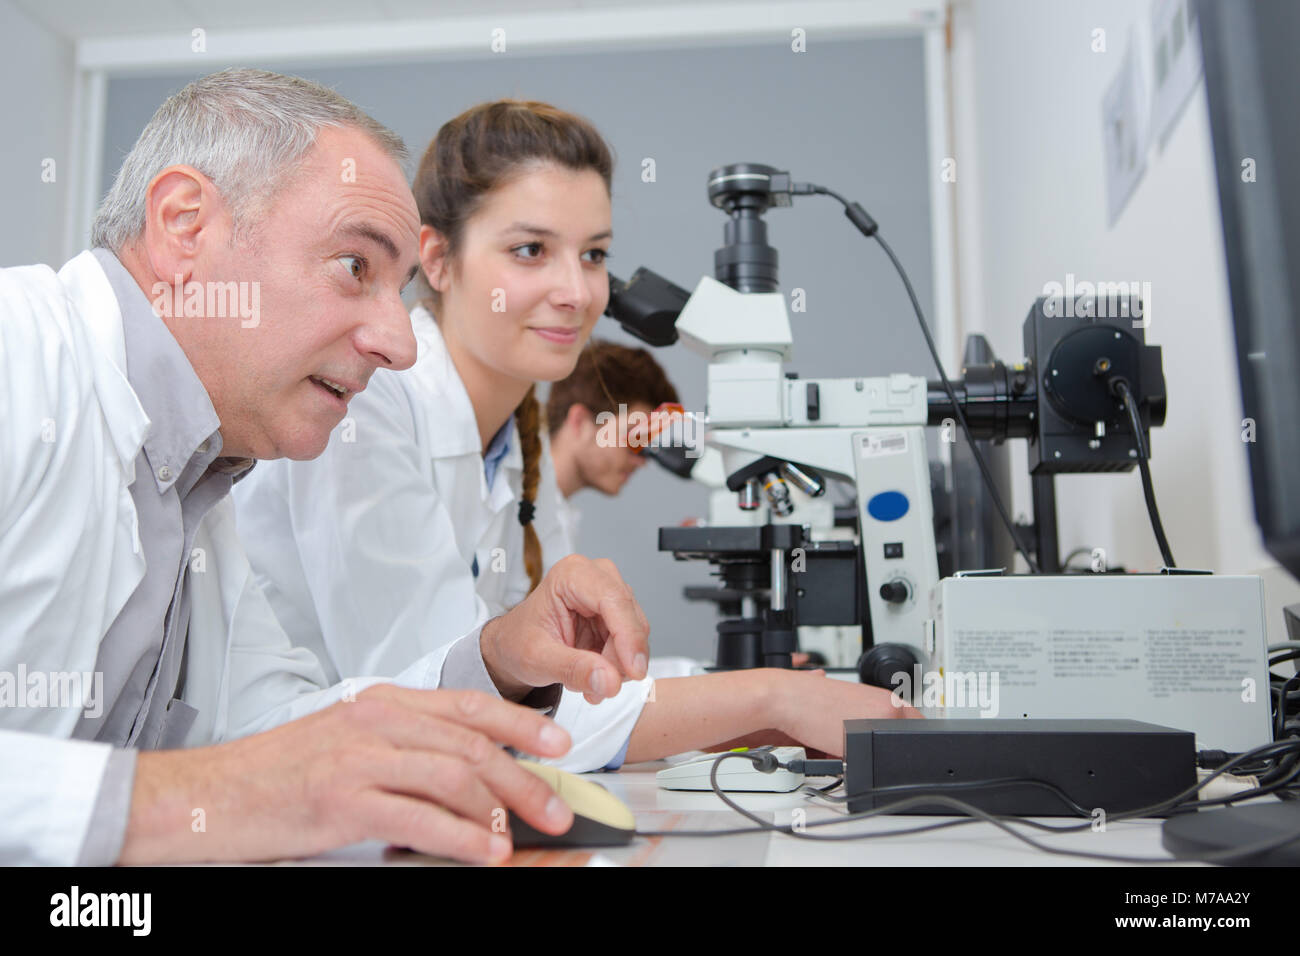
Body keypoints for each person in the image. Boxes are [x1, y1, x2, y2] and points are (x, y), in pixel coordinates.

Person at [0, 70, 653, 867]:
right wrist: (199, 800)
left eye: (397, 287)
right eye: (354, 267)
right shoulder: (19, 357)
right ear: (184, 226)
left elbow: (279, 731)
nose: (402, 342)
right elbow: (240, 782)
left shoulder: (201, 488)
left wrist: (495, 660)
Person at [233, 99, 919, 775]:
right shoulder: (367, 405)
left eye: (593, 255)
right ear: (437, 260)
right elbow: (456, 697)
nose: (576, 291)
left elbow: (570, 676)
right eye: (530, 250)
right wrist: (773, 697)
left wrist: (758, 699)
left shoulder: (521, 439)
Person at [545, 340, 681, 545]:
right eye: (634, 437)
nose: (641, 461)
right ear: (580, 422)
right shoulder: (517, 511)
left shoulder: (557, 515)